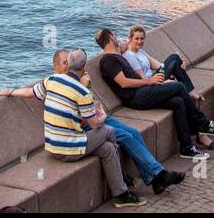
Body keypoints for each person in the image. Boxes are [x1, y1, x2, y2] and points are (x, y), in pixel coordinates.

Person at [0, 49, 184, 196]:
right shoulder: (56, 82)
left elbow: (89, 104)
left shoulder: (71, 81)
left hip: (96, 117)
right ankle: (156, 176)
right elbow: (33, 93)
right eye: (65, 63)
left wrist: (87, 90)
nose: (67, 65)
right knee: (125, 136)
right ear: (57, 66)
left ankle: (155, 179)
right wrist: (11, 91)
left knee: (133, 133)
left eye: (68, 62)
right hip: (87, 125)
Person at [96, 29, 214, 158]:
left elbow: (127, 47)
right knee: (179, 86)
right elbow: (123, 83)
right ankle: (202, 124)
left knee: (178, 102)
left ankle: (186, 147)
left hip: (142, 92)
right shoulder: (108, 60)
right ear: (111, 37)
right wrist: (149, 81)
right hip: (137, 96)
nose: (116, 37)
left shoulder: (117, 54)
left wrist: (123, 46)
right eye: (114, 35)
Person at [41, 48, 146, 208]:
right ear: (84, 68)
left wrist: (11, 91)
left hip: (53, 146)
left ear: (68, 65)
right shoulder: (82, 91)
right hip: (69, 148)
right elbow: (95, 124)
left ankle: (121, 195)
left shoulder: (51, 80)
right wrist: (103, 115)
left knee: (108, 149)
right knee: (109, 130)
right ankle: (123, 179)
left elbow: (29, 91)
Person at [122, 25, 200, 101]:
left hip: (155, 77)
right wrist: (163, 81)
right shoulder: (130, 56)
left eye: (142, 38)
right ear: (130, 39)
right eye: (136, 38)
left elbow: (160, 66)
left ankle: (189, 91)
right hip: (150, 84)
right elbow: (143, 79)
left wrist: (179, 63)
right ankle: (190, 92)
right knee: (174, 58)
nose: (140, 41)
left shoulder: (140, 51)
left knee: (175, 57)